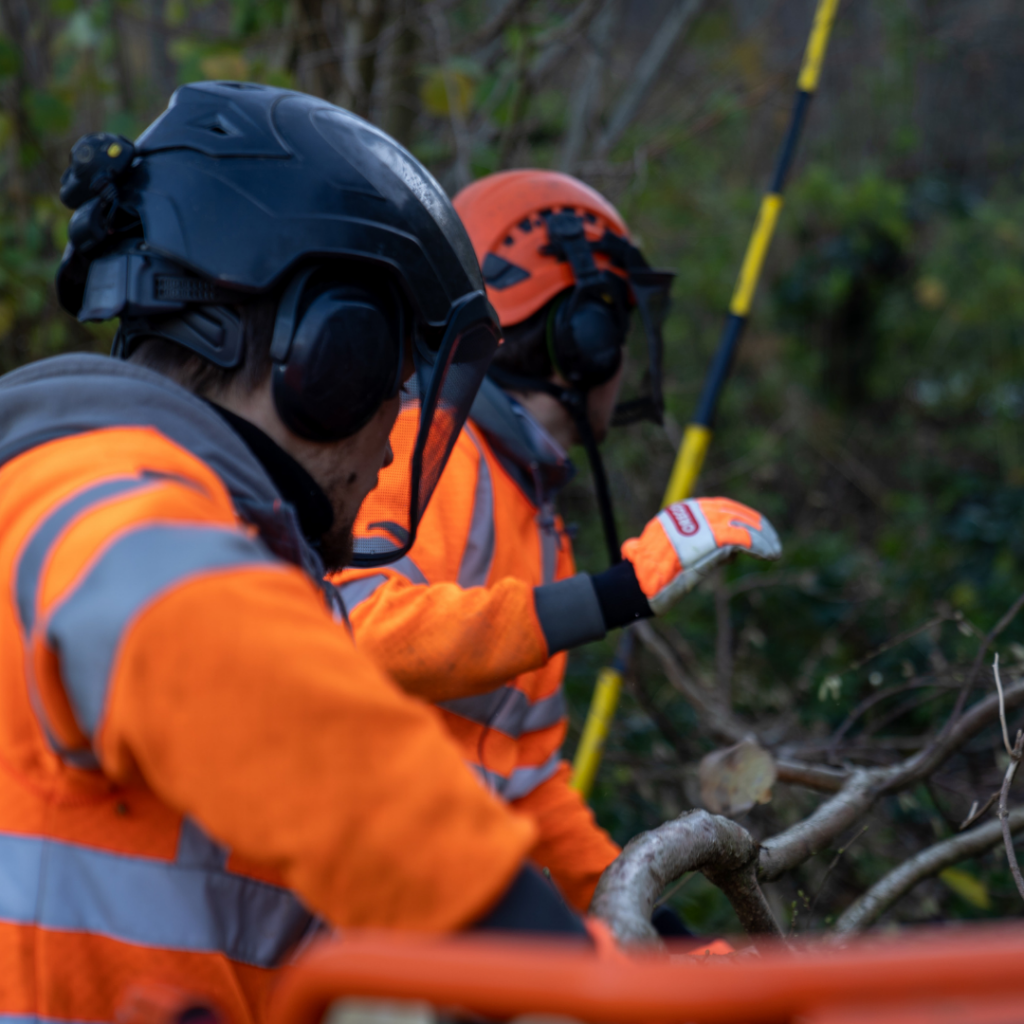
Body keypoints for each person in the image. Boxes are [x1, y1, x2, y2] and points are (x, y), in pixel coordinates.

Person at [0, 84, 596, 1024]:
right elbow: (196, 640)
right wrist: (518, 936)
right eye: (393, 389)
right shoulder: (87, 480)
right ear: (328, 352)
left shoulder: (223, 536)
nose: (397, 444)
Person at [335, 170, 781, 916]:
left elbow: (529, 783)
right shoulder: (425, 453)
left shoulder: (537, 521)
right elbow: (357, 632)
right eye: (617, 330)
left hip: (453, 895)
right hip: (360, 900)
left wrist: (643, 918)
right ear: (584, 336)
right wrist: (613, 597)